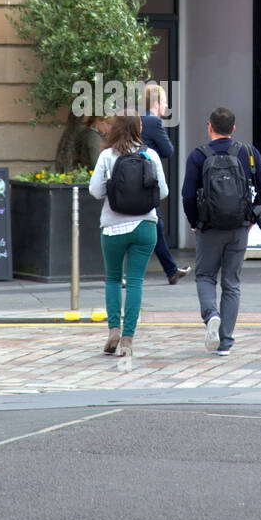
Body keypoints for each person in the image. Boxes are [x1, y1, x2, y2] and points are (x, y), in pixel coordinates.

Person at [181, 107, 261, 357]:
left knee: (206, 276)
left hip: (208, 228)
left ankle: (211, 315)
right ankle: (225, 342)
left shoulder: (198, 156)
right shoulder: (249, 153)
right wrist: (252, 218)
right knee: (232, 283)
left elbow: (187, 195)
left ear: (209, 127)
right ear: (233, 129)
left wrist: (195, 222)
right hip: (239, 227)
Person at [88, 113, 168, 357]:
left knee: (113, 279)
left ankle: (113, 329)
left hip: (113, 226)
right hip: (145, 226)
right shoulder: (150, 155)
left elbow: (95, 191)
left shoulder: (107, 155)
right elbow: (163, 192)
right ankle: (128, 339)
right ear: (139, 128)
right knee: (135, 282)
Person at [140, 82, 189, 285]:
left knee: (154, 225)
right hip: (146, 181)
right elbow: (168, 151)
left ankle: (171, 271)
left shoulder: (135, 118)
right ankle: (170, 271)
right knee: (155, 225)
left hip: (129, 181)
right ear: (157, 102)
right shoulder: (154, 122)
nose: (166, 107)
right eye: (165, 102)